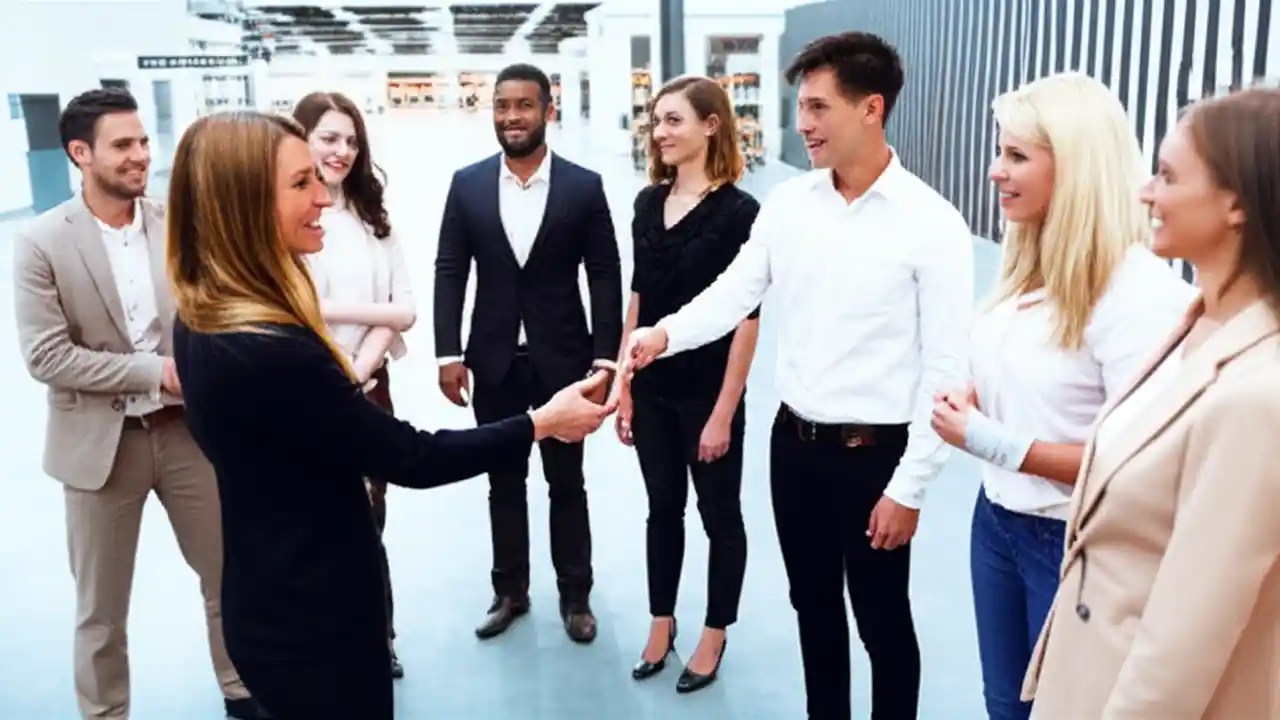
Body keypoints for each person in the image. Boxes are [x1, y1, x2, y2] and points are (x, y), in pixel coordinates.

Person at [164, 110, 614, 720]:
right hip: (317, 621)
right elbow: (413, 457)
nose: (324, 197)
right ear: (241, 202)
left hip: (265, 595)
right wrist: (543, 423)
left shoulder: (200, 317)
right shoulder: (273, 350)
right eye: (300, 183)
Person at [625, 32, 974, 719]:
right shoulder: (789, 206)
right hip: (794, 450)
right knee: (813, 611)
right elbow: (734, 294)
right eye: (801, 107)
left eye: (817, 107)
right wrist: (663, 335)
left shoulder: (931, 224)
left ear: (871, 108)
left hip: (875, 457)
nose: (802, 123)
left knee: (881, 622)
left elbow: (946, 369)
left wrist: (909, 487)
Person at [927, 72, 1194, 720]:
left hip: (1075, 543)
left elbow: (1141, 466)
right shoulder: (1029, 268)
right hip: (997, 521)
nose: (995, 171)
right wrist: (980, 397)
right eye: (1000, 151)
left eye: (1017, 155)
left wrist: (989, 439)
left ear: (1075, 167)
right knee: (1005, 707)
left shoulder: (1138, 296)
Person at [1021, 86, 1280, 720]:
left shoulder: (1258, 396)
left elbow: (1187, 636)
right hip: (1089, 672)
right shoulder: (1197, 327)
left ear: (1236, 203)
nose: (1146, 193)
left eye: (1167, 175)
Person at [11, 88, 269, 720]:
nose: (140, 156)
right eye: (122, 145)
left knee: (229, 576)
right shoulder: (41, 242)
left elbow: (214, 308)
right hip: (99, 447)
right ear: (80, 153)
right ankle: (105, 713)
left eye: (144, 141)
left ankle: (242, 690)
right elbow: (47, 357)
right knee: (101, 610)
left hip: (187, 432)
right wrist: (157, 371)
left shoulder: (177, 222)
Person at [434, 62, 623, 643]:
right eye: (502, 105)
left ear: (548, 110)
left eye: (523, 105)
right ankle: (510, 591)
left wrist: (605, 359)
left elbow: (604, 274)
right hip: (492, 363)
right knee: (503, 483)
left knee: (567, 483)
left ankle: (576, 595)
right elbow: (450, 269)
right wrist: (447, 353)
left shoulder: (582, 187)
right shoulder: (467, 184)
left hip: (563, 364)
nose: (511, 116)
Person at [614, 75, 760, 693]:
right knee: (661, 508)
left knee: (719, 515)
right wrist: (623, 383)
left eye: (673, 120)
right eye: (656, 121)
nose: (660, 132)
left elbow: (748, 319)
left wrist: (724, 411)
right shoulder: (647, 204)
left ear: (711, 124)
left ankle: (715, 630)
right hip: (651, 387)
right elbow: (639, 299)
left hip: (708, 390)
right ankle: (661, 621)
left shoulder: (741, 214)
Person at [292, 90, 414, 679]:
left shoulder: (373, 218)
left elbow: (405, 309)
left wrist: (357, 370)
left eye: (351, 140)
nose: (341, 151)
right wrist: (363, 322)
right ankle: (317, 645)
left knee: (368, 524)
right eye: (328, 138)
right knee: (309, 526)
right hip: (299, 392)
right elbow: (289, 315)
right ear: (300, 140)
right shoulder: (281, 217)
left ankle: (376, 641)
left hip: (367, 388)